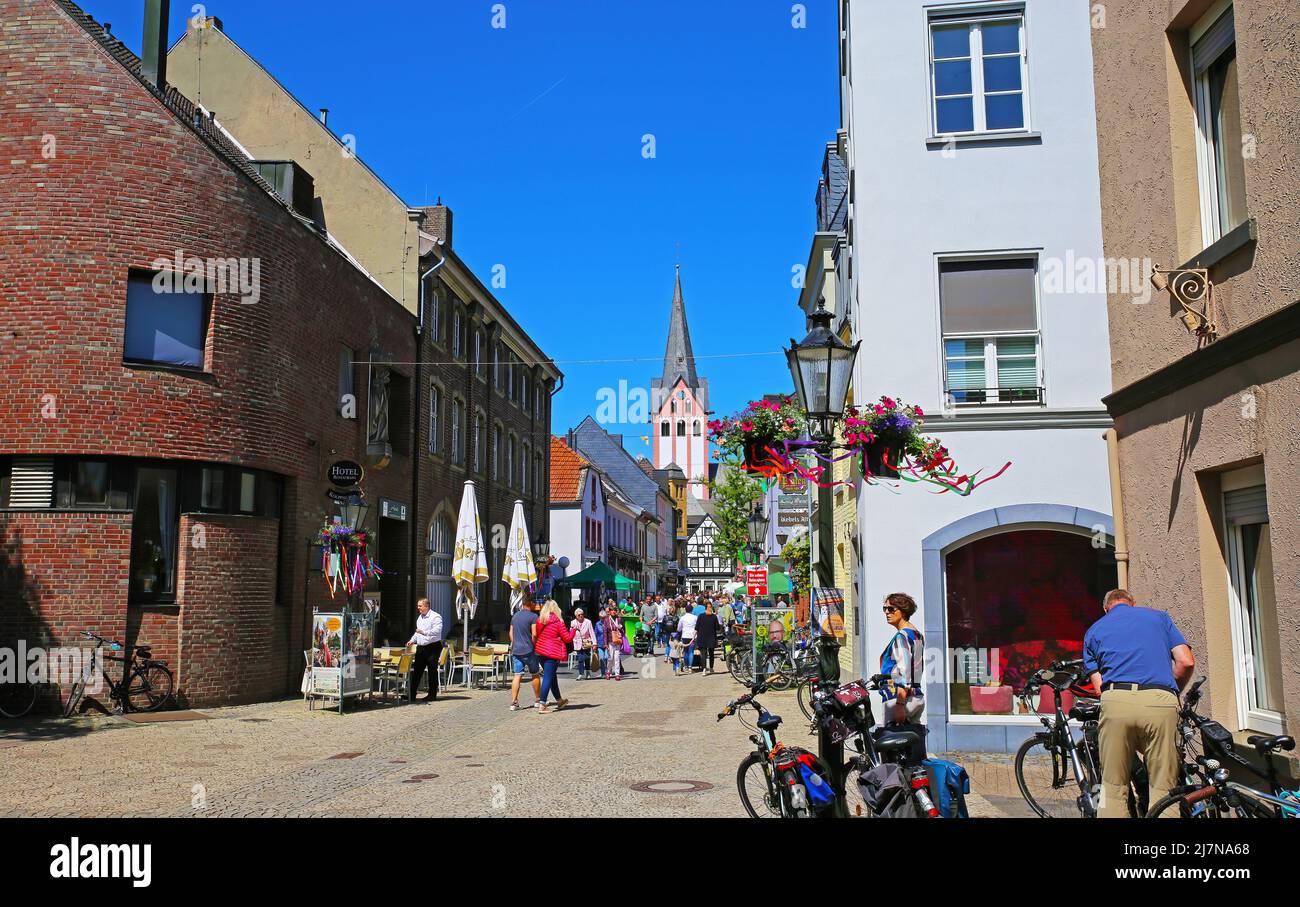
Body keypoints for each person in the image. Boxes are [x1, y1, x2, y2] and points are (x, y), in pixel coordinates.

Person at [1084, 589, 1195, 819]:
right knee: (1164, 786)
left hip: (1116, 702)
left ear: (1106, 609)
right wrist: (1171, 692)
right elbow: (1185, 661)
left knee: (1113, 788)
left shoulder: (1094, 630)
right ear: (1132, 604)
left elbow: (1098, 687)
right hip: (1160, 701)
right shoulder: (1159, 618)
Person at [879, 592, 924, 724]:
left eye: (891, 609)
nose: (887, 612)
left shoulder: (902, 636)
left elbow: (904, 672)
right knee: (912, 740)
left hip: (899, 698)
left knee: (892, 740)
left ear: (903, 612)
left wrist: (899, 705)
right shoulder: (916, 634)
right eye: (885, 609)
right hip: (916, 696)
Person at [533, 600, 574, 713]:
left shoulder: (540, 620)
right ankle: (542, 705)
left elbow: (536, 634)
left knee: (551, 676)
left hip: (540, 652)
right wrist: (573, 631)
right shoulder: (558, 622)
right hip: (552, 653)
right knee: (547, 677)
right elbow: (567, 638)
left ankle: (559, 700)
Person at [406, 598, 444, 702]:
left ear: (426, 606)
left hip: (433, 647)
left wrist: (424, 632)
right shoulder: (420, 618)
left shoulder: (435, 617)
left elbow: (437, 630)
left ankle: (432, 695)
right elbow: (417, 632)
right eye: (418, 606)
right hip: (421, 648)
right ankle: (411, 694)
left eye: (420, 606)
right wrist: (412, 640)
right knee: (417, 671)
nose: (418, 608)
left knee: (432, 671)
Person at [508, 600, 542, 712]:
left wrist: (515, 643)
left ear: (522, 604)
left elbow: (510, 633)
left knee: (517, 675)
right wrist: (534, 645)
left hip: (516, 650)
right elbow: (535, 633)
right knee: (535, 674)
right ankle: (537, 700)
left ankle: (514, 702)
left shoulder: (515, 616)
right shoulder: (533, 616)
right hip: (529, 650)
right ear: (531, 604)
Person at [694, 602, 720, 675]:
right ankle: (711, 668)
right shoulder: (714, 617)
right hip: (711, 637)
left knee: (703, 654)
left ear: (705, 608)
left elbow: (696, 627)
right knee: (711, 653)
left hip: (702, 637)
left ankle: (704, 669)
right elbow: (717, 628)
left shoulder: (700, 616)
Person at [570, 607, 596, 680]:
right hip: (577, 643)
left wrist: (594, 643)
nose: (581, 616)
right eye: (579, 615)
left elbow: (592, 633)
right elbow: (571, 633)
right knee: (580, 658)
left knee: (587, 658)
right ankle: (581, 673)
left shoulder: (588, 622)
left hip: (586, 642)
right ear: (576, 616)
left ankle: (588, 672)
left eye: (582, 614)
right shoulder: (573, 622)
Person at [601, 607, 625, 681]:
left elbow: (624, 630)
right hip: (610, 641)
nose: (614, 612)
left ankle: (617, 674)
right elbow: (605, 632)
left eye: (615, 610)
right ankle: (608, 671)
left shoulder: (619, 619)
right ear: (610, 612)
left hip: (617, 640)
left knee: (617, 658)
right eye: (612, 610)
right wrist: (605, 643)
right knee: (610, 658)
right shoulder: (606, 620)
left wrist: (621, 629)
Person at [678, 605, 698, 672]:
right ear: (692, 610)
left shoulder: (682, 618)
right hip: (692, 636)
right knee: (691, 652)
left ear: (685, 610)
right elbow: (697, 627)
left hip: (685, 636)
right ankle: (690, 667)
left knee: (685, 652)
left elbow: (679, 628)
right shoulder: (695, 617)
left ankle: (686, 666)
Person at [593, 608, 609, 677]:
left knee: (606, 657)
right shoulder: (597, 624)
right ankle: (603, 673)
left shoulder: (608, 623)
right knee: (602, 658)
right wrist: (594, 644)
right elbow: (595, 634)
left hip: (607, 644)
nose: (603, 619)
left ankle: (608, 671)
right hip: (599, 644)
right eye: (601, 618)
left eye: (604, 617)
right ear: (600, 617)